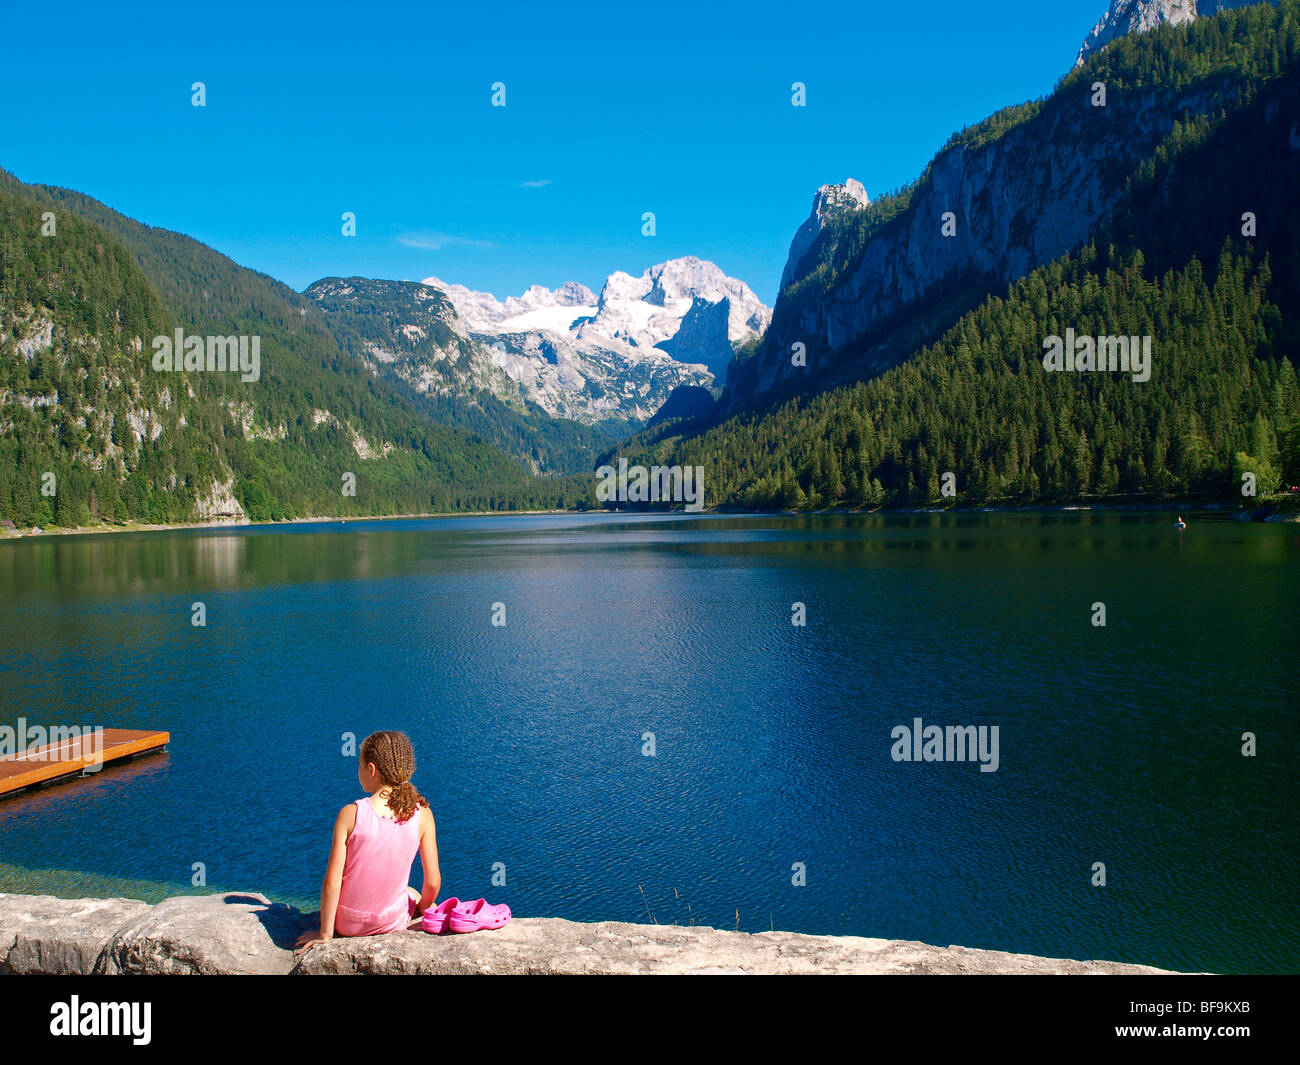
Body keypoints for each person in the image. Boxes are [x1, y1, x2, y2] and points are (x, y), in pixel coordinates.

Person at [295, 730, 440, 950]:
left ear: (371, 769)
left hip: (348, 925)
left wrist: (325, 933)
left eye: (359, 765)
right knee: (413, 893)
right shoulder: (423, 815)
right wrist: (423, 907)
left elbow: (331, 883)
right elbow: (433, 882)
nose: (358, 770)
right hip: (391, 922)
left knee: (407, 891)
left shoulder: (350, 814)